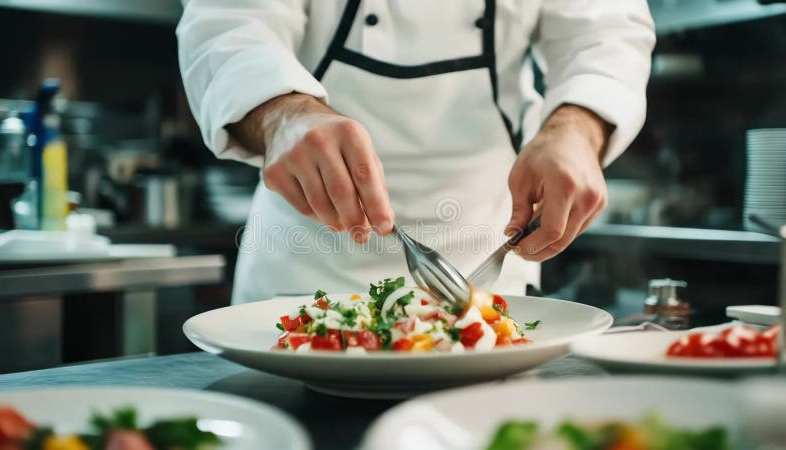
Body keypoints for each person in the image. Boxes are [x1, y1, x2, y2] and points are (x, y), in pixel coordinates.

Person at [177, 0, 656, 303]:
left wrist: (576, 129)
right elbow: (228, 24)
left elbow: (606, 31)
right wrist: (284, 115)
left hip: (481, 263)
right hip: (301, 272)